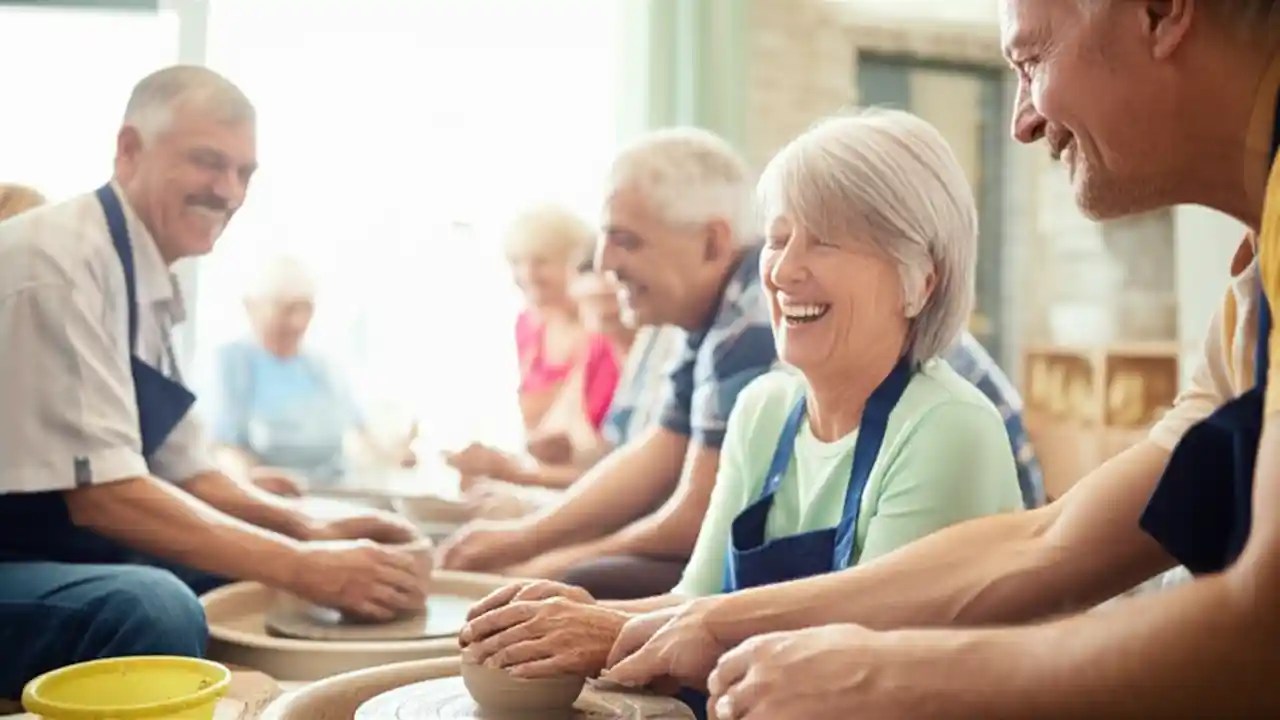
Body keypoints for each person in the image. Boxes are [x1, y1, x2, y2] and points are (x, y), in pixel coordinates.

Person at [588, 3, 1280, 718]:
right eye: (782, 238)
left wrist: (884, 674)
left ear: (1162, 12)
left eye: (1031, 61)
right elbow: (1051, 540)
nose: (1022, 123)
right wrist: (700, 622)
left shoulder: (947, 421)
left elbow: (1262, 638)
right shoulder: (1255, 286)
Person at [455, 110, 1025, 699]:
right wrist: (571, 611)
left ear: (920, 280)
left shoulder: (948, 429)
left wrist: (605, 624)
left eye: (824, 241)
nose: (782, 270)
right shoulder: (763, 410)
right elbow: (695, 600)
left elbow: (856, 668)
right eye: (778, 239)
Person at [0, 65, 428, 700]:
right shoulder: (58, 262)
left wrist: (310, 527)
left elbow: (190, 472)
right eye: (207, 163)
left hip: (48, 545)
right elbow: (105, 497)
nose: (228, 190)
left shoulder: (147, 278)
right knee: (153, 606)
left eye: (244, 172)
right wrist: (306, 566)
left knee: (232, 574)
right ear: (128, 149)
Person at [439, 127, 779, 597]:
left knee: (575, 579)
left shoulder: (753, 314)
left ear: (712, 242)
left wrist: (555, 559)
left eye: (627, 241)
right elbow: (658, 449)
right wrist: (522, 538)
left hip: (761, 573)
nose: (604, 263)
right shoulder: (705, 312)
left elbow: (696, 515)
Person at [209, 256, 417, 495]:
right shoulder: (232, 363)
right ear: (251, 307)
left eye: (306, 308)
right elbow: (224, 448)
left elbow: (364, 436)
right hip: (267, 500)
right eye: (286, 309)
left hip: (334, 495)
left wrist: (396, 454)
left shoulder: (323, 367)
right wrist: (250, 487)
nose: (298, 322)